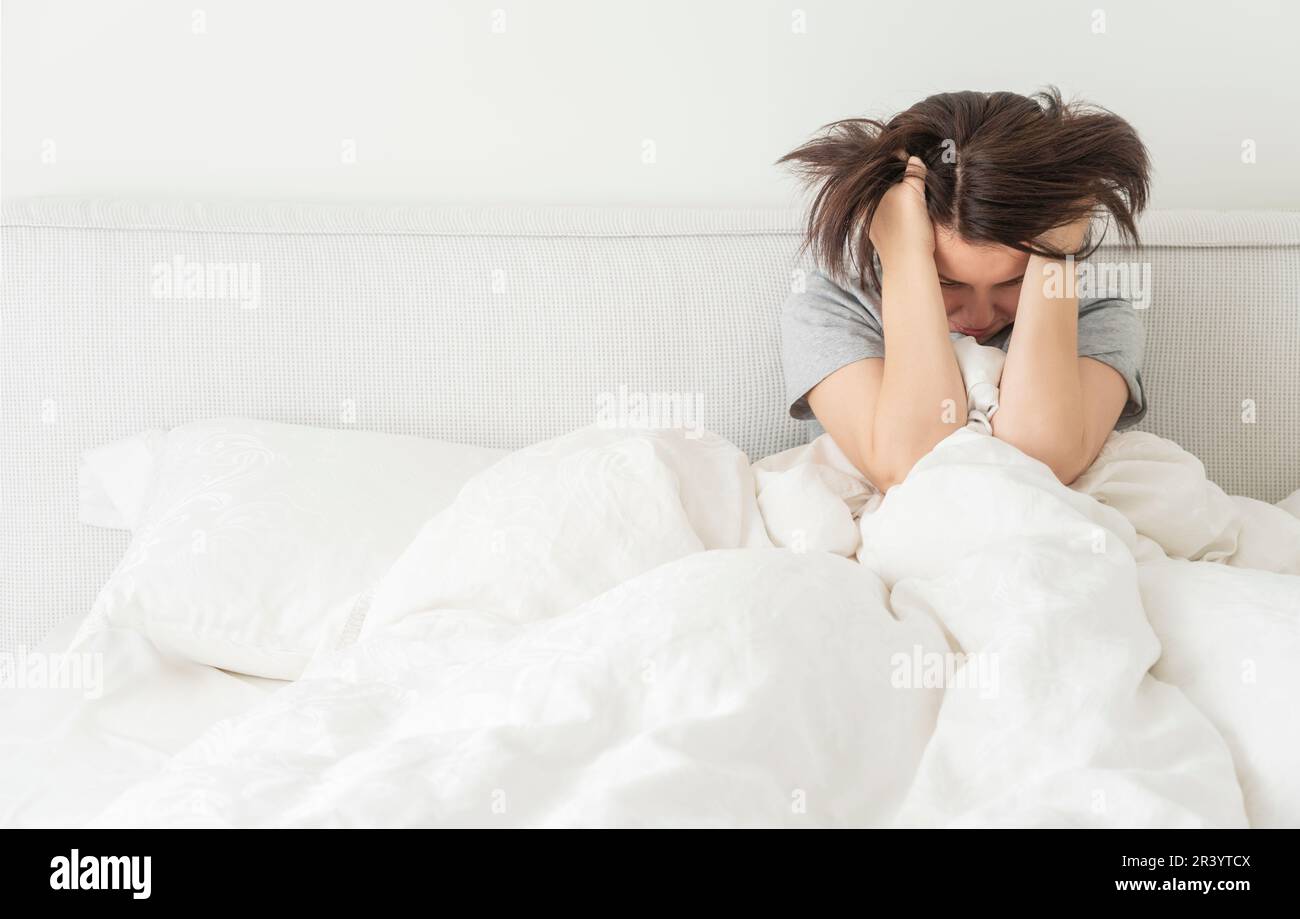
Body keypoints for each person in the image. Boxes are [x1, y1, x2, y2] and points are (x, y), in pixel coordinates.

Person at [777, 88, 1150, 491]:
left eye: (1014, 281)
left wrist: (1057, 255)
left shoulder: (1094, 317)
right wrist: (905, 259)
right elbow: (910, 470)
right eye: (946, 282)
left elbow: (1039, 465)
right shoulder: (833, 308)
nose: (979, 316)